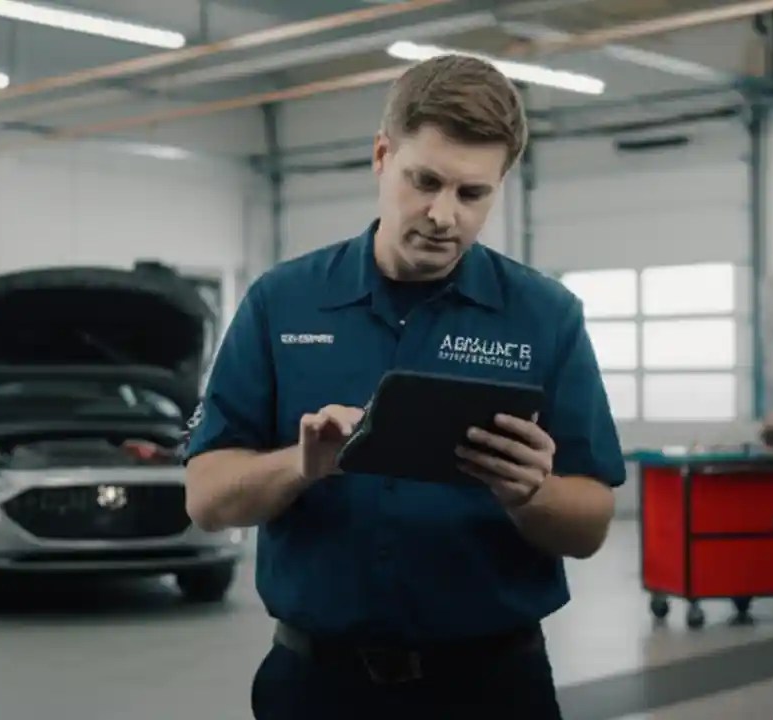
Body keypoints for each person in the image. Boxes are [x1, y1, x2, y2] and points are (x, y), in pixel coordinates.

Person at [183, 53, 626, 720]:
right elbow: (207, 500)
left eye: (472, 194)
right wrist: (303, 466)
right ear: (382, 156)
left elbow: (589, 522)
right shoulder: (282, 303)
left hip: (493, 690)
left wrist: (530, 492)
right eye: (425, 181)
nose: (443, 216)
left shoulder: (545, 316)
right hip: (317, 689)